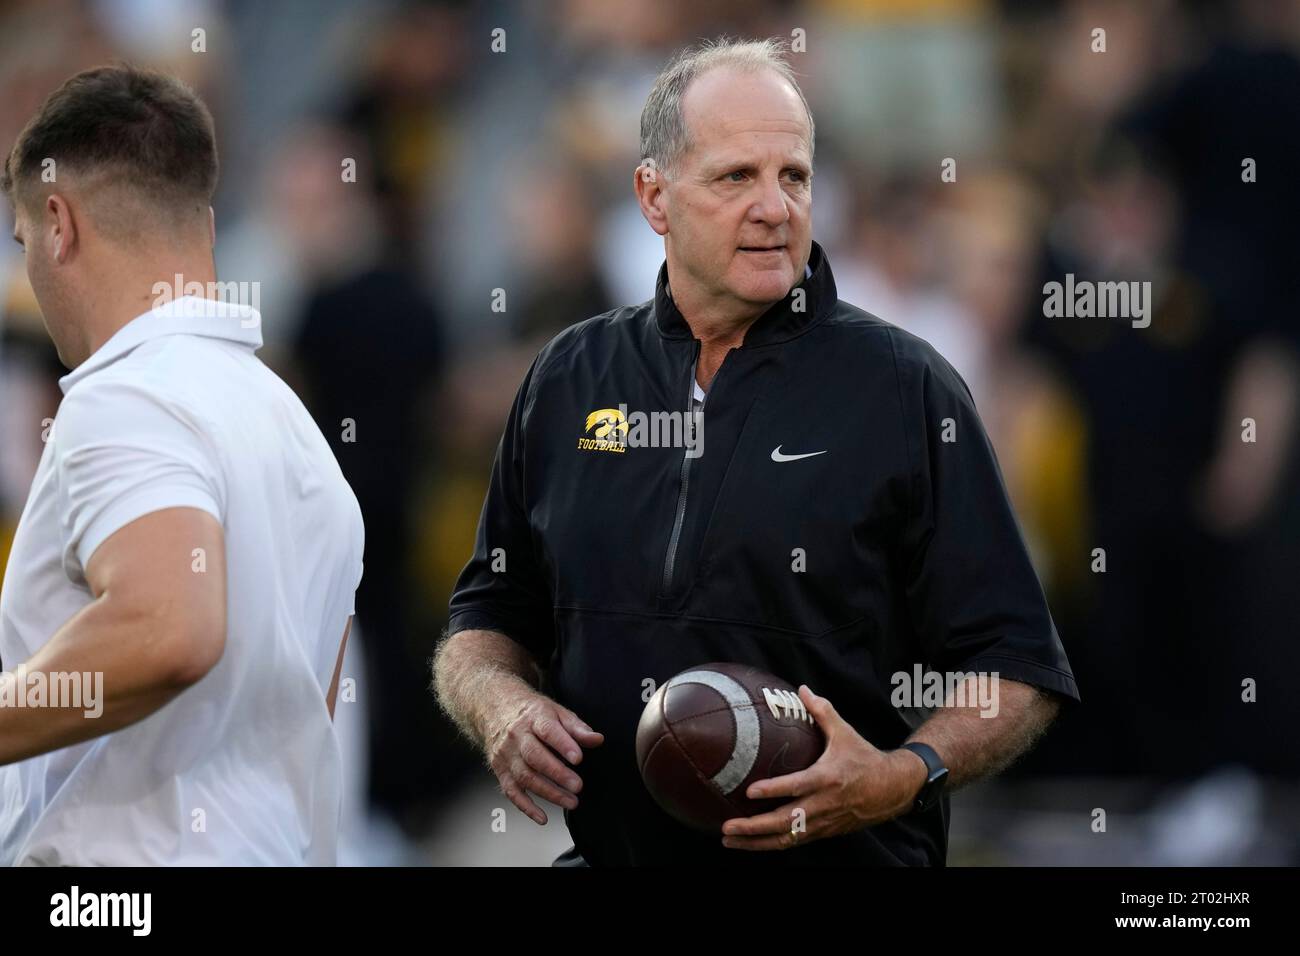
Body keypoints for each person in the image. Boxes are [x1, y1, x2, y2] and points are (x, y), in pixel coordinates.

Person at [435, 38, 1079, 866]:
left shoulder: (904, 387)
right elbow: (485, 620)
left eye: (796, 177)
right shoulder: (568, 377)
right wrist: (500, 708)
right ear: (653, 196)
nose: (775, 207)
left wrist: (902, 772)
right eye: (737, 177)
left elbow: (1018, 665)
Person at [0, 65, 364, 865]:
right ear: (202, 223)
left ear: (58, 223)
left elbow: (170, 630)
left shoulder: (125, 395)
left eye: (23, 240)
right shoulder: (299, 434)